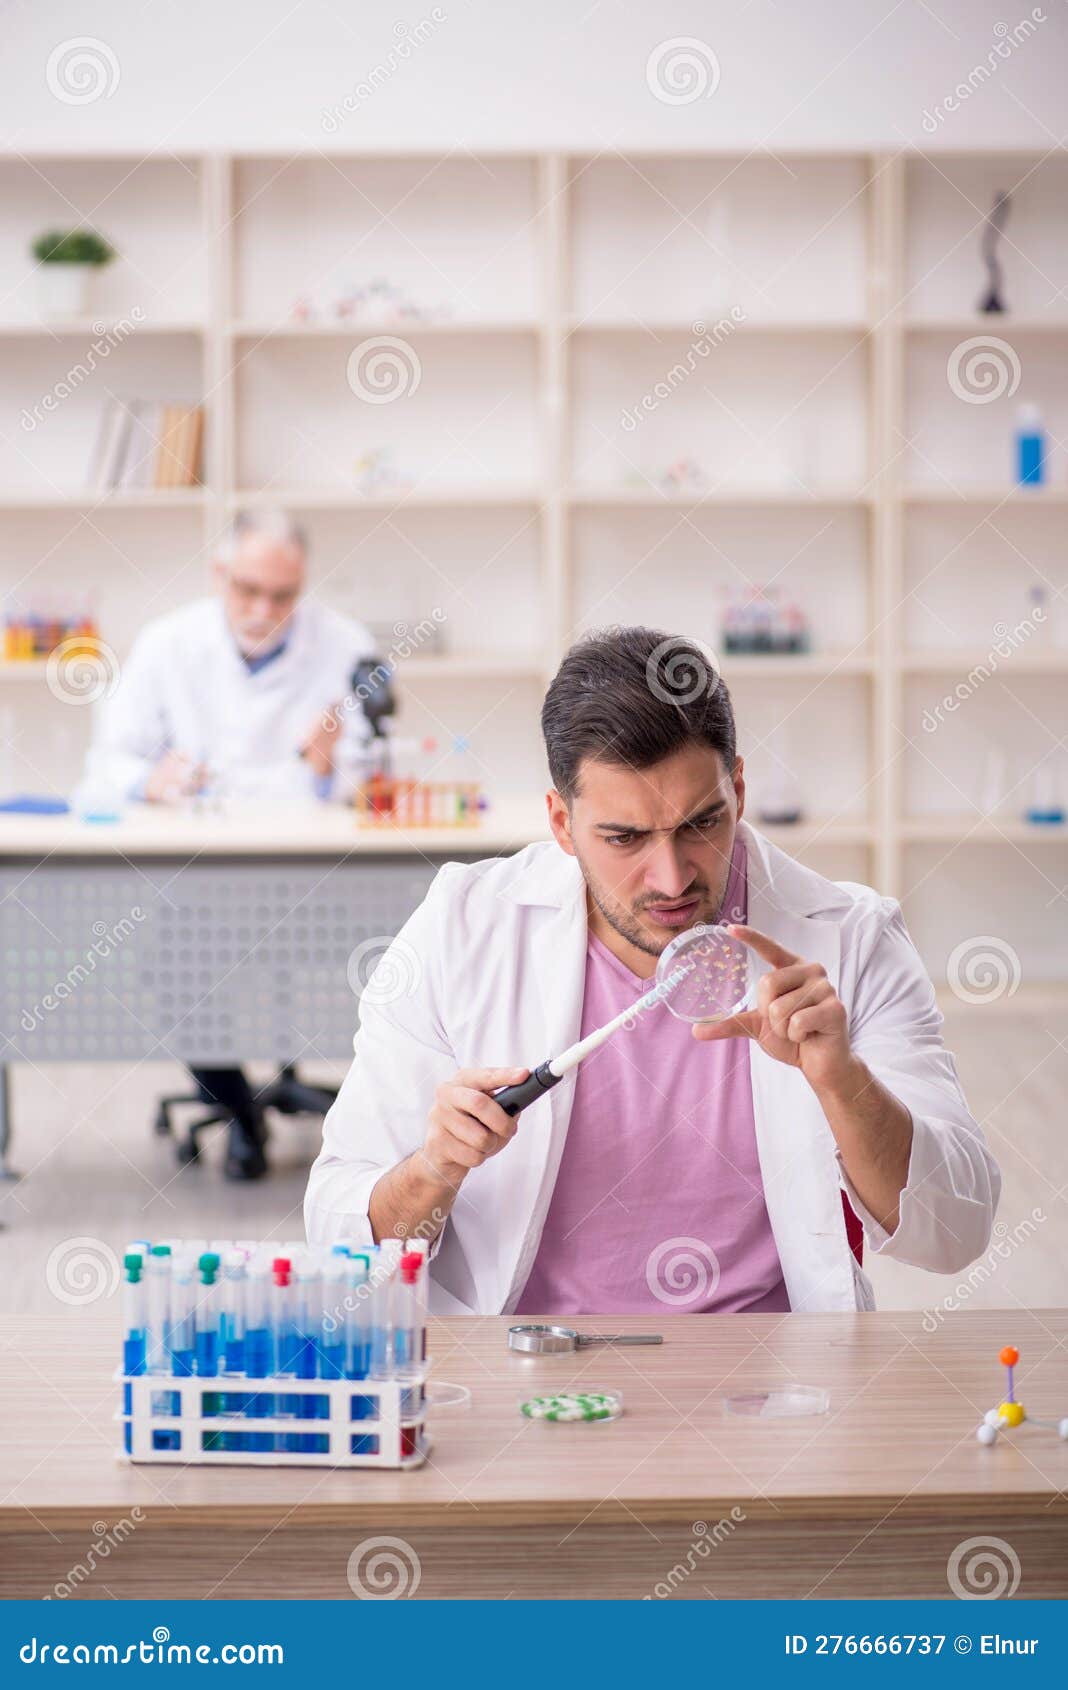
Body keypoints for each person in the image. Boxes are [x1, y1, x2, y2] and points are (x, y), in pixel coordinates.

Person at [305, 626, 1000, 1315]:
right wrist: (433, 1171)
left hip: (774, 1382)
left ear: (739, 791)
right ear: (559, 822)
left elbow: (957, 1234)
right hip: (531, 1375)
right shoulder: (463, 928)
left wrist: (844, 1084)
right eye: (624, 837)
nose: (670, 878)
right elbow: (338, 1241)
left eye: (700, 823)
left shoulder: (852, 938)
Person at [83, 508, 377, 1179]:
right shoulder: (167, 644)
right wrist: (149, 781)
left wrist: (333, 765)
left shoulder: (346, 645)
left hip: (314, 883)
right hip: (196, 883)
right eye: (246, 590)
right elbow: (107, 766)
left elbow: (371, 768)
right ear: (219, 574)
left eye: (281, 596)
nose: (262, 609)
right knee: (177, 967)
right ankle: (238, 1108)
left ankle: (371, 1117)